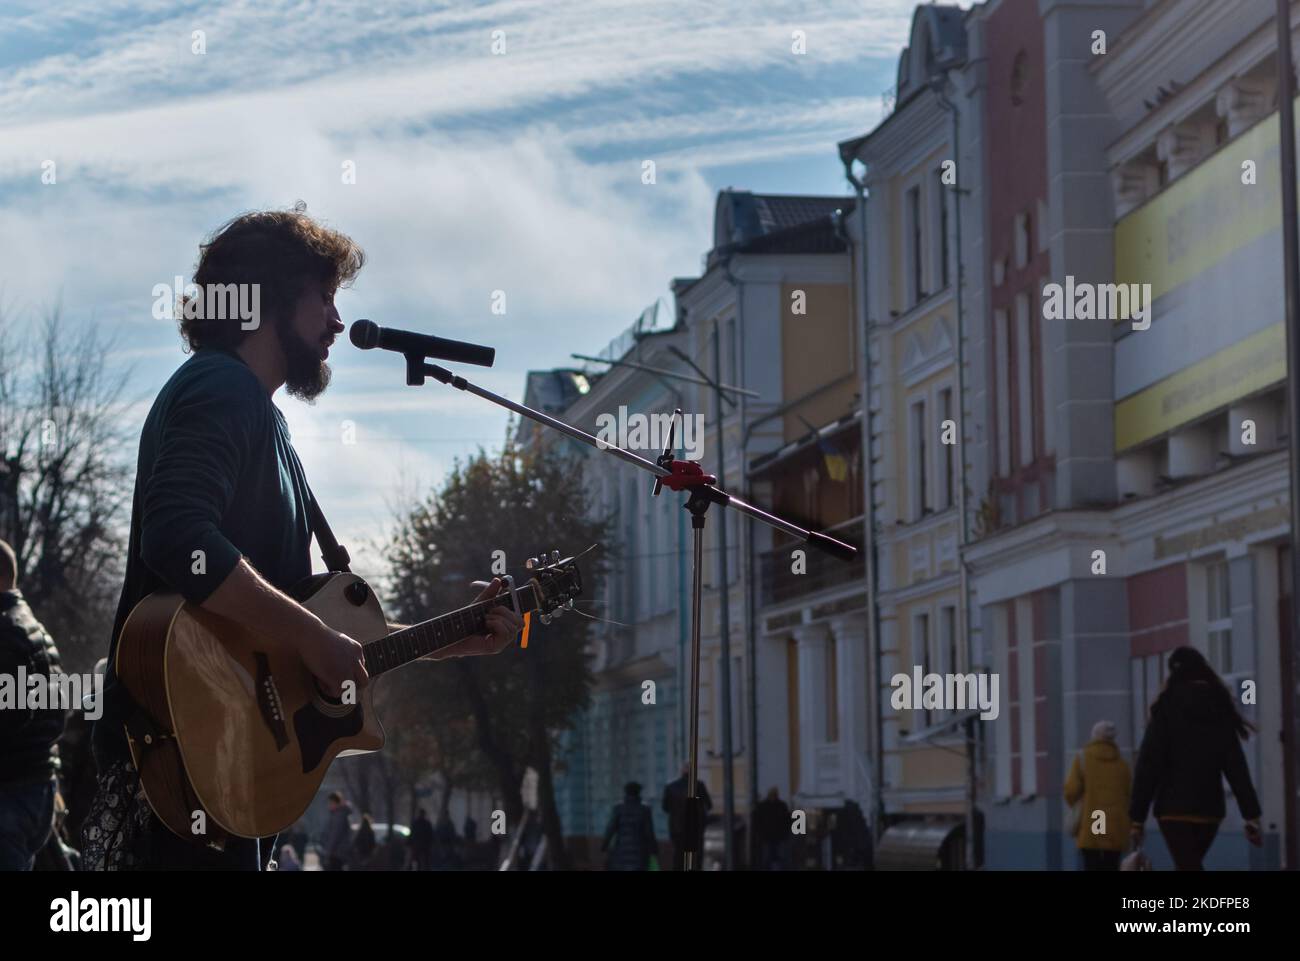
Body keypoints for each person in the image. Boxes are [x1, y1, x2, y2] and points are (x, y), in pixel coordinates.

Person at [78, 207, 522, 871]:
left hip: (234, 764)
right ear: (272, 298)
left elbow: (303, 629)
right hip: (196, 744)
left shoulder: (267, 418)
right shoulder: (222, 386)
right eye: (325, 298)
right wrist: (313, 638)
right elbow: (177, 535)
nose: (338, 322)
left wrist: (457, 635)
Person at [1129, 646, 1263, 870]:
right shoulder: (1219, 707)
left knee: (1188, 866)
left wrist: (1137, 818)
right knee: (1189, 865)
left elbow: (1148, 765)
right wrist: (1251, 815)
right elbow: (1235, 766)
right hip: (1209, 809)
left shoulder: (1165, 708)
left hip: (1172, 809)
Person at [0, 538, 68, 871]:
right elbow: (56, 717)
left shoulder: (6, 631)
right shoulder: (32, 627)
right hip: (34, 785)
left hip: (12, 791)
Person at [1064, 720, 1131, 870]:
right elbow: (1128, 795)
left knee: (1091, 863)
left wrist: (1079, 805)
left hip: (1093, 821)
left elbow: (1070, 791)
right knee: (1112, 865)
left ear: (1094, 736)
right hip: (1115, 826)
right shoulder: (1122, 765)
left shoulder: (1083, 759)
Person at [662, 763, 712, 870]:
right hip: (695, 827)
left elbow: (665, 807)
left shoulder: (670, 787)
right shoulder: (699, 785)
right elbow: (709, 805)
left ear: (681, 771)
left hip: (677, 828)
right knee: (695, 856)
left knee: (678, 855)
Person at [602, 782, 657, 871]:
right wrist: (654, 851)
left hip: (621, 852)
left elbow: (610, 829)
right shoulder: (645, 810)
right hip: (640, 853)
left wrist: (604, 846)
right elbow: (649, 832)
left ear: (626, 792)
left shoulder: (618, 809)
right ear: (639, 793)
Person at [752, 787, 791, 870]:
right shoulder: (781, 805)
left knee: (771, 859)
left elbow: (787, 821)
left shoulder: (763, 806)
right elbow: (787, 820)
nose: (773, 796)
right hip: (771, 837)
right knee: (771, 859)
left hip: (775, 837)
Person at [322, 791, 353, 871]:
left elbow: (334, 835)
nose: (328, 805)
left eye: (330, 803)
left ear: (336, 803)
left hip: (336, 853)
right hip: (339, 852)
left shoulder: (339, 816)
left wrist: (328, 852)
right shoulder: (341, 814)